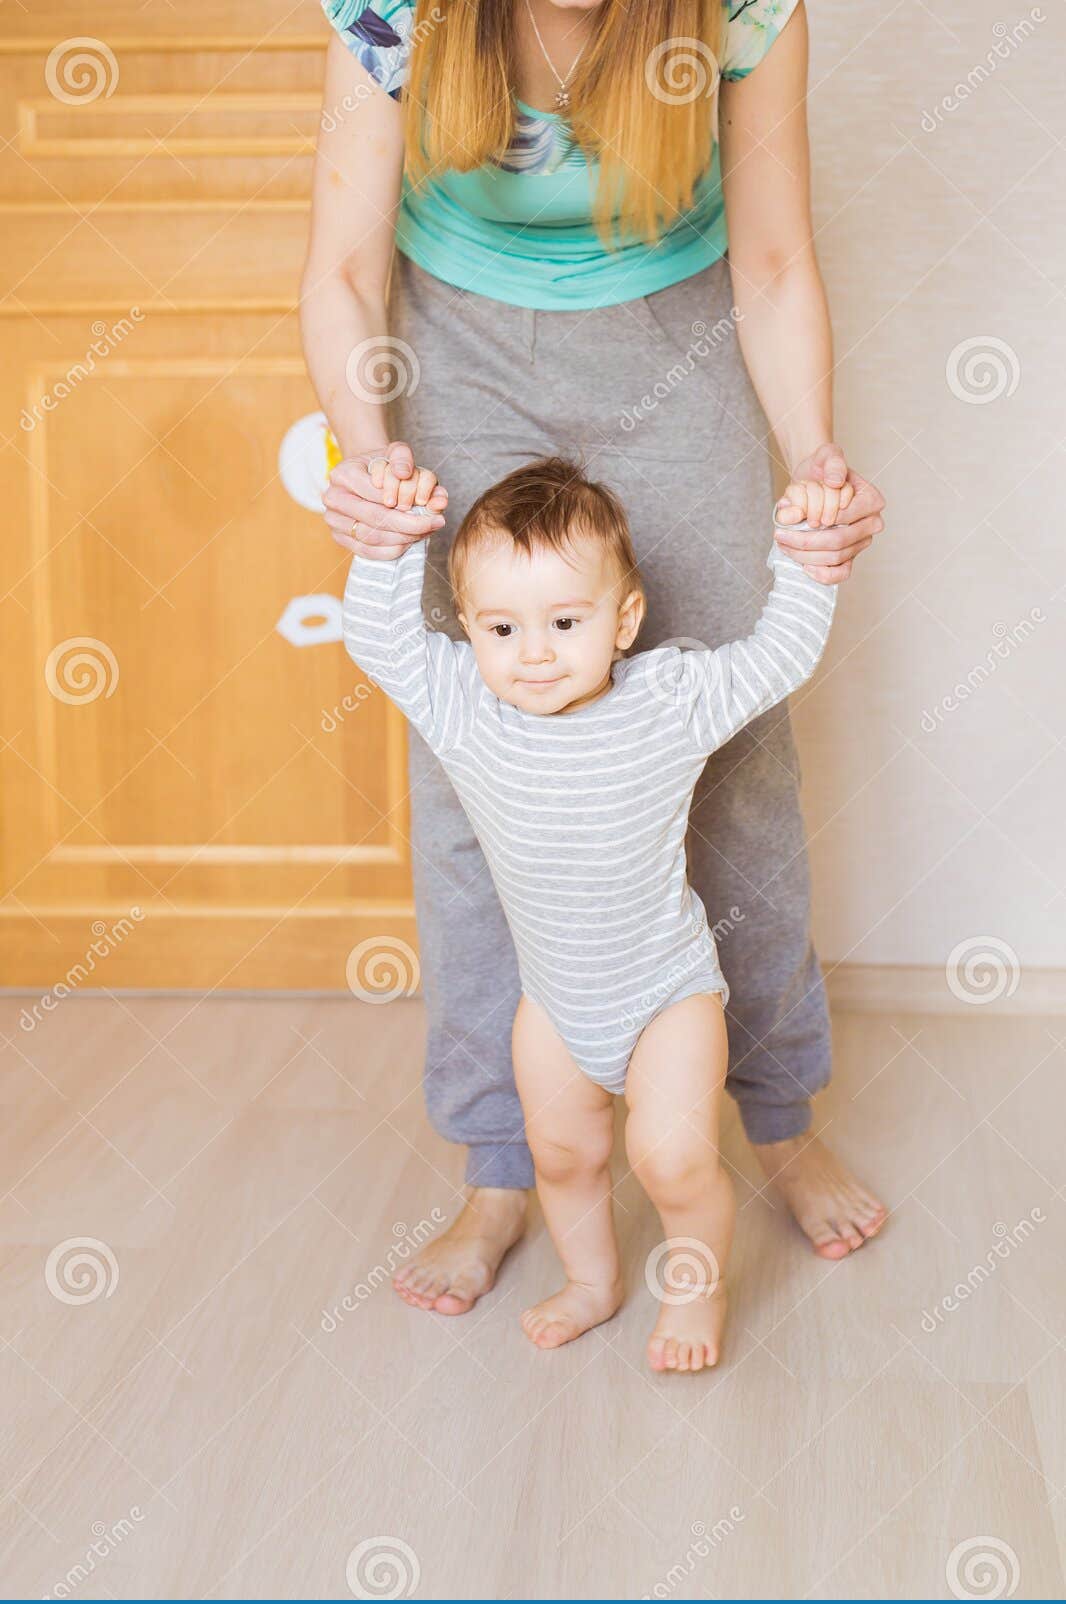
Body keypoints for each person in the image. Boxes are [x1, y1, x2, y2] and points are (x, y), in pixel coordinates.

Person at [300, 0, 888, 1315]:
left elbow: (776, 261)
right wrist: (371, 452)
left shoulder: (742, 10)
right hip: (454, 337)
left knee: (730, 747)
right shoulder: (388, 12)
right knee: (475, 756)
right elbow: (342, 269)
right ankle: (502, 1161)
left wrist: (813, 469)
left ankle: (776, 1120)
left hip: (671, 334)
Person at [343, 454, 847, 1370]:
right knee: (565, 1159)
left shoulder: (670, 700)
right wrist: (390, 544)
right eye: (501, 627)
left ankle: (695, 1293)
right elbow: (379, 641)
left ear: (625, 620)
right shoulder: (464, 707)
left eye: (565, 622)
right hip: (555, 1003)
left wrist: (809, 559)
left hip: (668, 994)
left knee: (673, 1161)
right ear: (467, 628)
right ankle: (590, 1283)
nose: (533, 652)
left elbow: (780, 655)